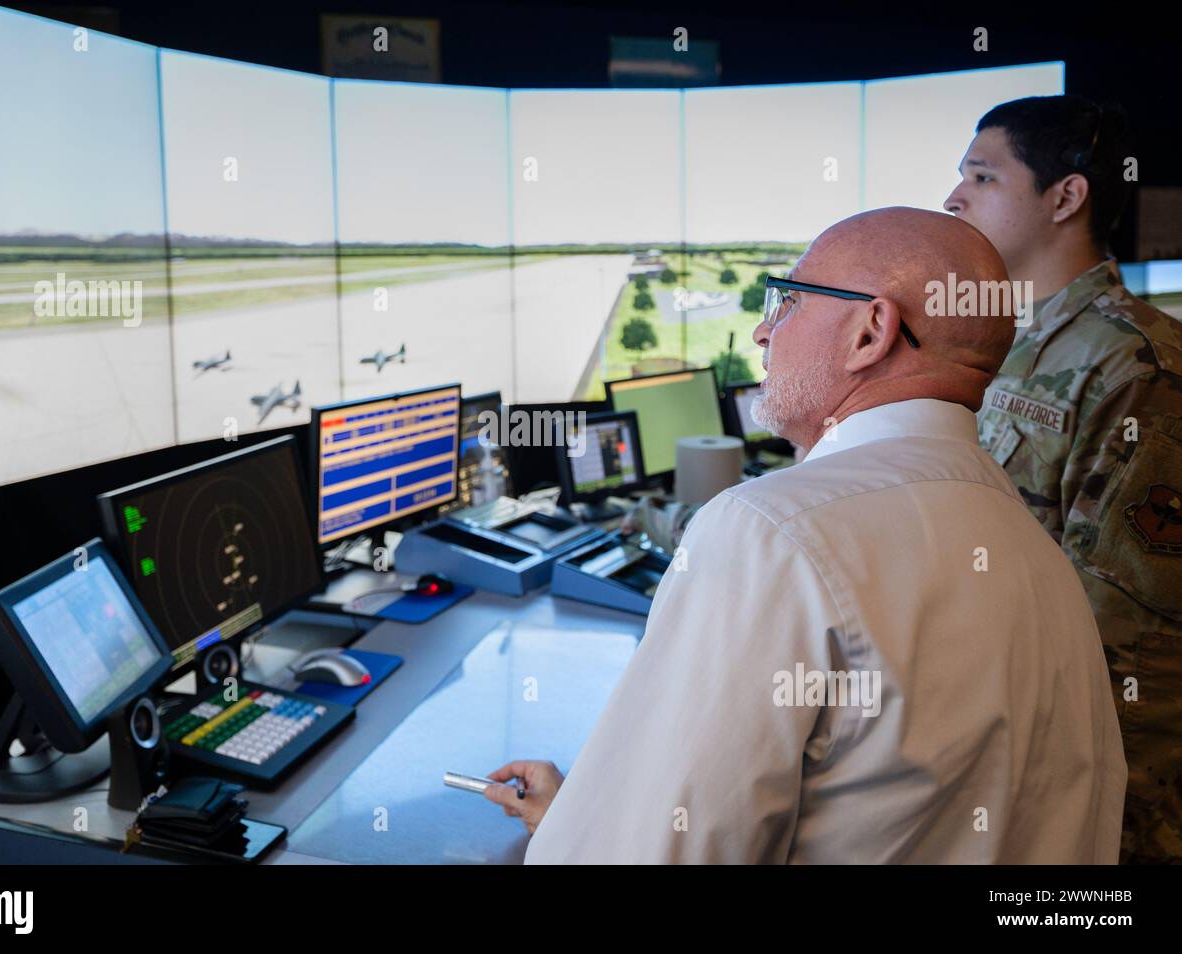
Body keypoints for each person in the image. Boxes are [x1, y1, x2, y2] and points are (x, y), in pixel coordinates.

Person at [484, 207, 1126, 863]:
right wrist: (601, 811)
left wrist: (593, 832)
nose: (763, 330)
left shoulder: (769, 533)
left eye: (787, 301)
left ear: (870, 332)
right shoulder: (1044, 561)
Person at [944, 95, 1182, 864]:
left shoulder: (1139, 364)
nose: (954, 198)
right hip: (1000, 734)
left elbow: (1128, 641)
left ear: (1066, 197)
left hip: (1102, 795)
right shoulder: (1007, 344)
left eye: (982, 177)